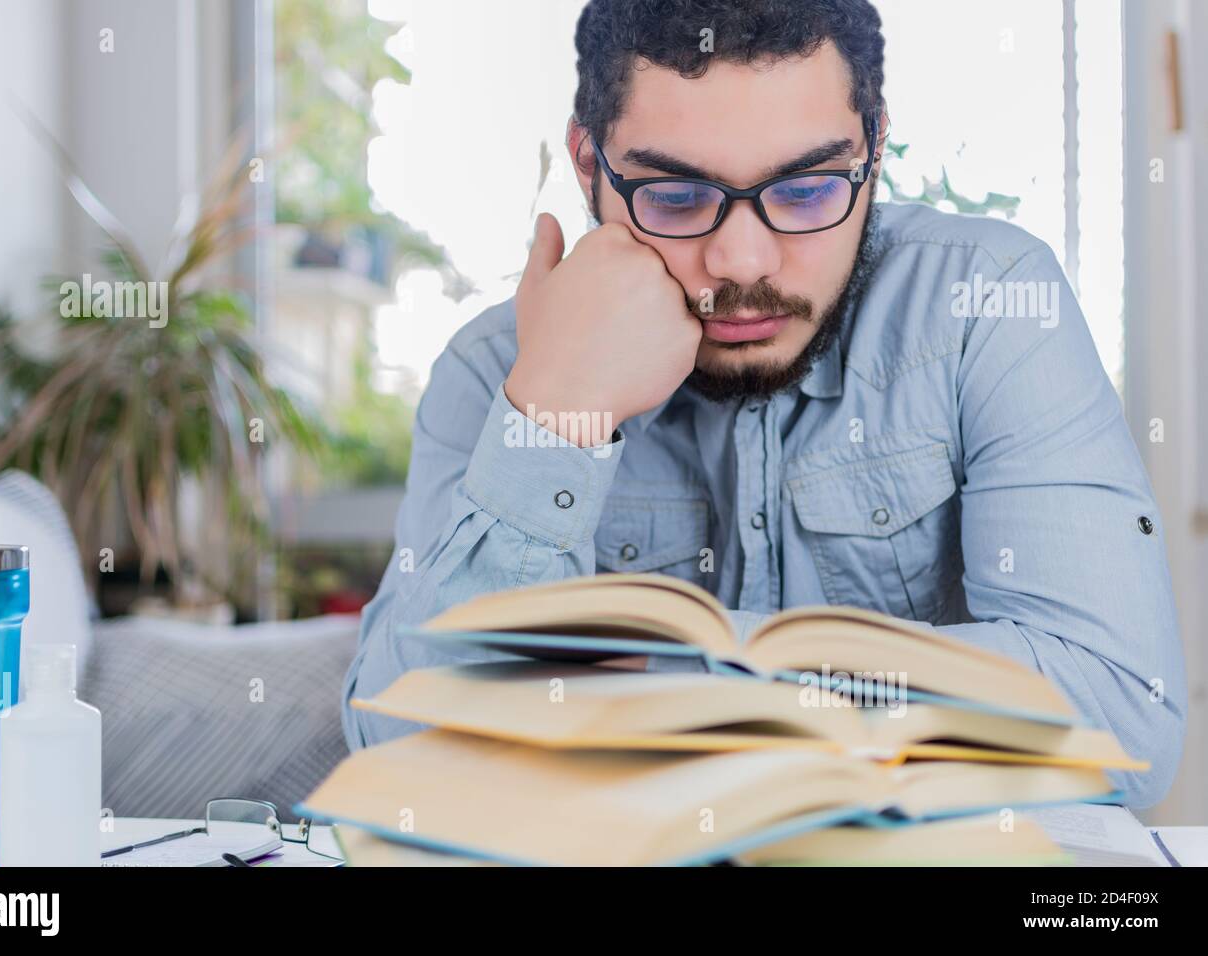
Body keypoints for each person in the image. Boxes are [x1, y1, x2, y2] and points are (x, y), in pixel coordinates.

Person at [342, 0, 1184, 807]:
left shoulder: (990, 308)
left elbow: (1120, 716)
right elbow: (409, 747)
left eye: (808, 189)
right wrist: (558, 412)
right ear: (590, 166)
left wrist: (668, 675)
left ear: (875, 150)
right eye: (676, 197)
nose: (742, 262)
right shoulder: (498, 369)